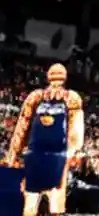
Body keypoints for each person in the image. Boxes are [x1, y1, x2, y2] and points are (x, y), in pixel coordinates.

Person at [4, 64, 85, 216]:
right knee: (56, 201)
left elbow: (22, 126)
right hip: (58, 155)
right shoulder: (71, 98)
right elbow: (76, 130)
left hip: (35, 155)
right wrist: (73, 151)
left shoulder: (35, 96)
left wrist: (13, 155)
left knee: (31, 199)